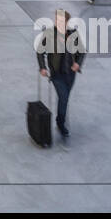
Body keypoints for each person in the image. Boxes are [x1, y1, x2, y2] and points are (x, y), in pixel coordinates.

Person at [36, 9, 84, 138]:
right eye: (57, 20)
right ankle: (61, 123)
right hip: (57, 74)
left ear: (67, 21)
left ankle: (60, 119)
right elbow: (40, 51)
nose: (58, 22)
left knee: (64, 98)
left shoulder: (73, 34)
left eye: (61, 21)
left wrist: (78, 63)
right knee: (63, 98)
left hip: (70, 73)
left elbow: (82, 51)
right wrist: (43, 67)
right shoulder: (49, 34)